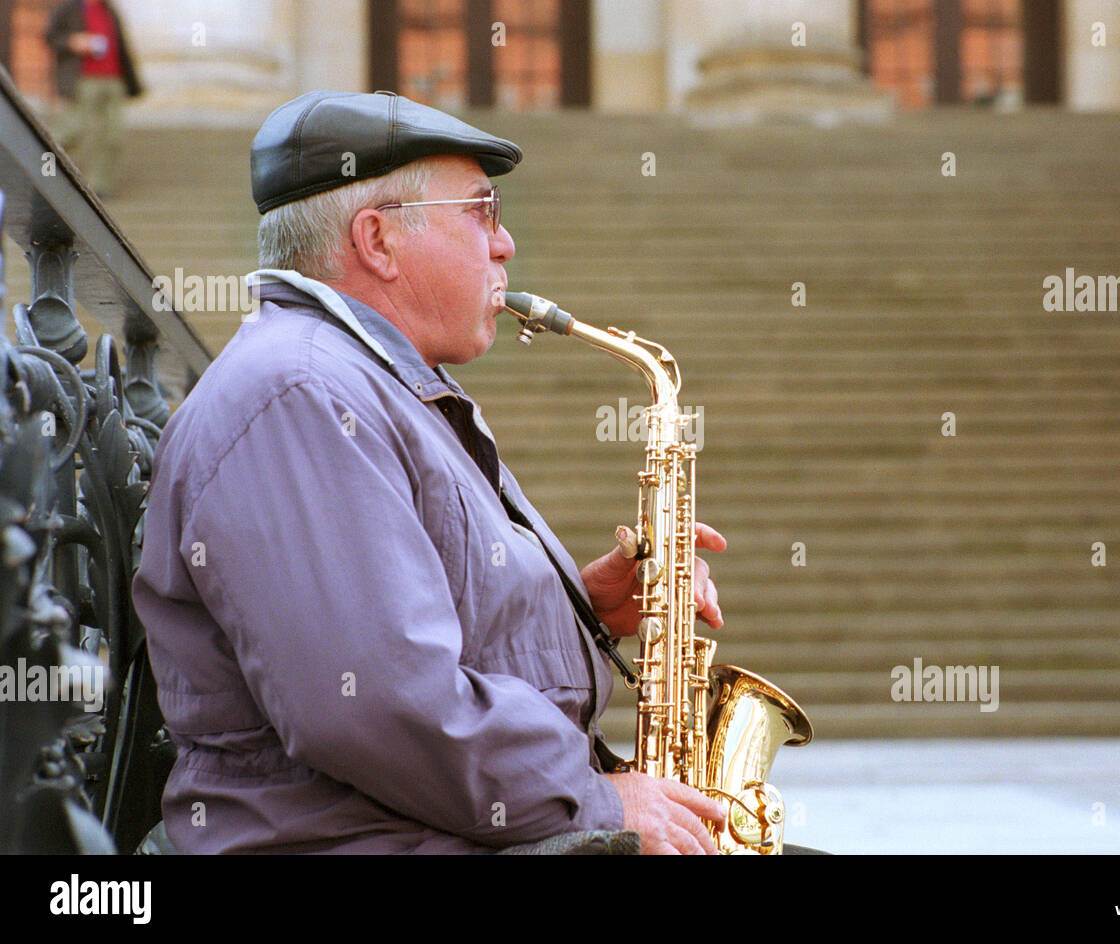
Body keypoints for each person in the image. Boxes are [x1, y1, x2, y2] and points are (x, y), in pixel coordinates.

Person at [131, 90, 730, 855]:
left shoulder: (362, 381)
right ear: (377, 240)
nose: (506, 244)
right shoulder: (303, 397)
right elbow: (375, 707)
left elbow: (410, 634)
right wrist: (594, 801)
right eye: (482, 211)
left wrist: (584, 606)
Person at [44, 0, 143, 195]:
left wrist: (131, 82)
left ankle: (100, 187)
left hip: (114, 80)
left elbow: (120, 45)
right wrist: (74, 41)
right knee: (73, 129)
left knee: (112, 136)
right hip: (84, 79)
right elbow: (50, 37)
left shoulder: (109, 9)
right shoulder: (69, 8)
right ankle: (39, 166)